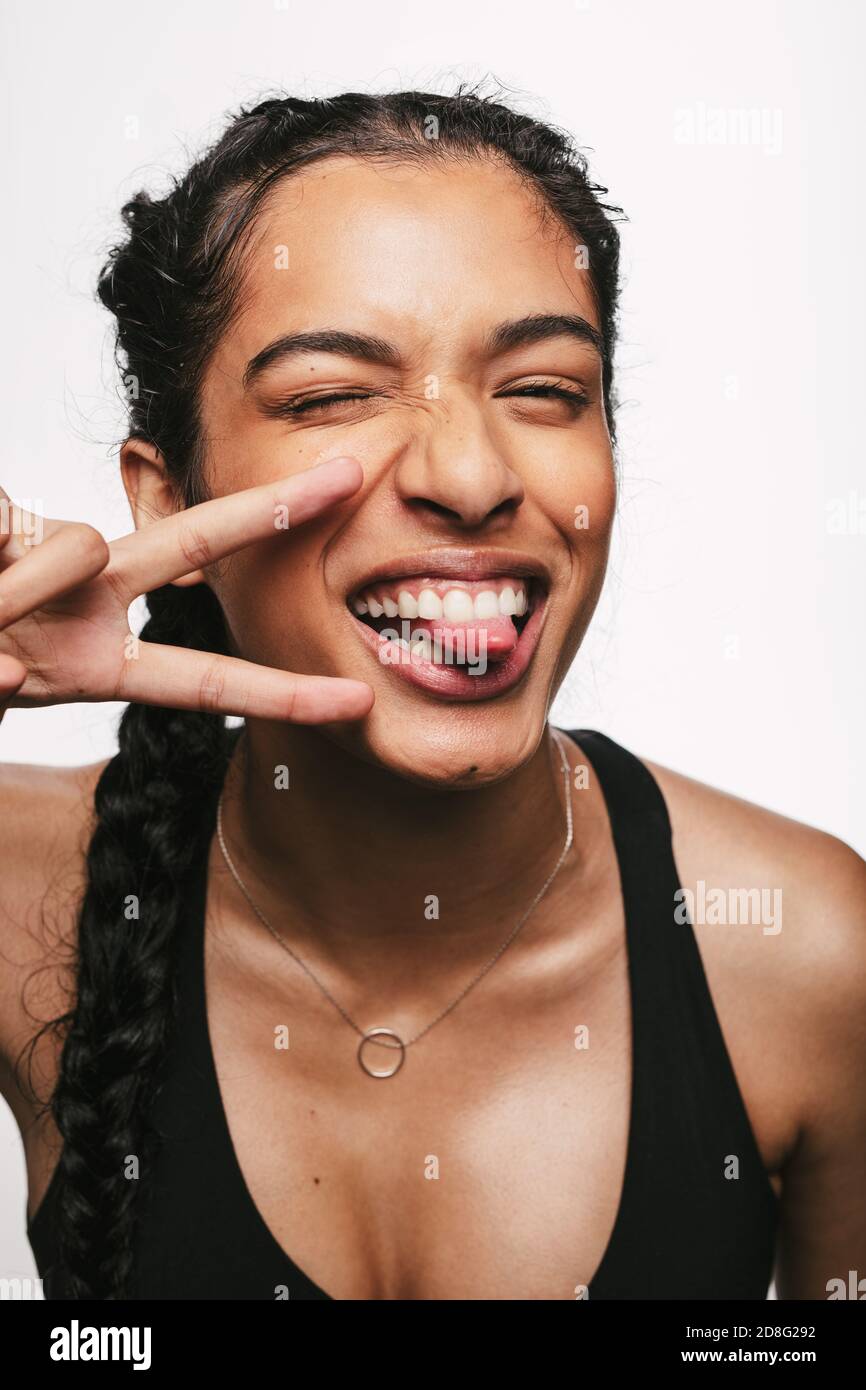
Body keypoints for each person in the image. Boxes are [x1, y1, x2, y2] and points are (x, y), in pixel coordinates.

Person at [0, 87, 863, 1302]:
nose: (468, 475)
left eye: (544, 389)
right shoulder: (23, 888)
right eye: (330, 396)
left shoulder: (804, 950)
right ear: (167, 502)